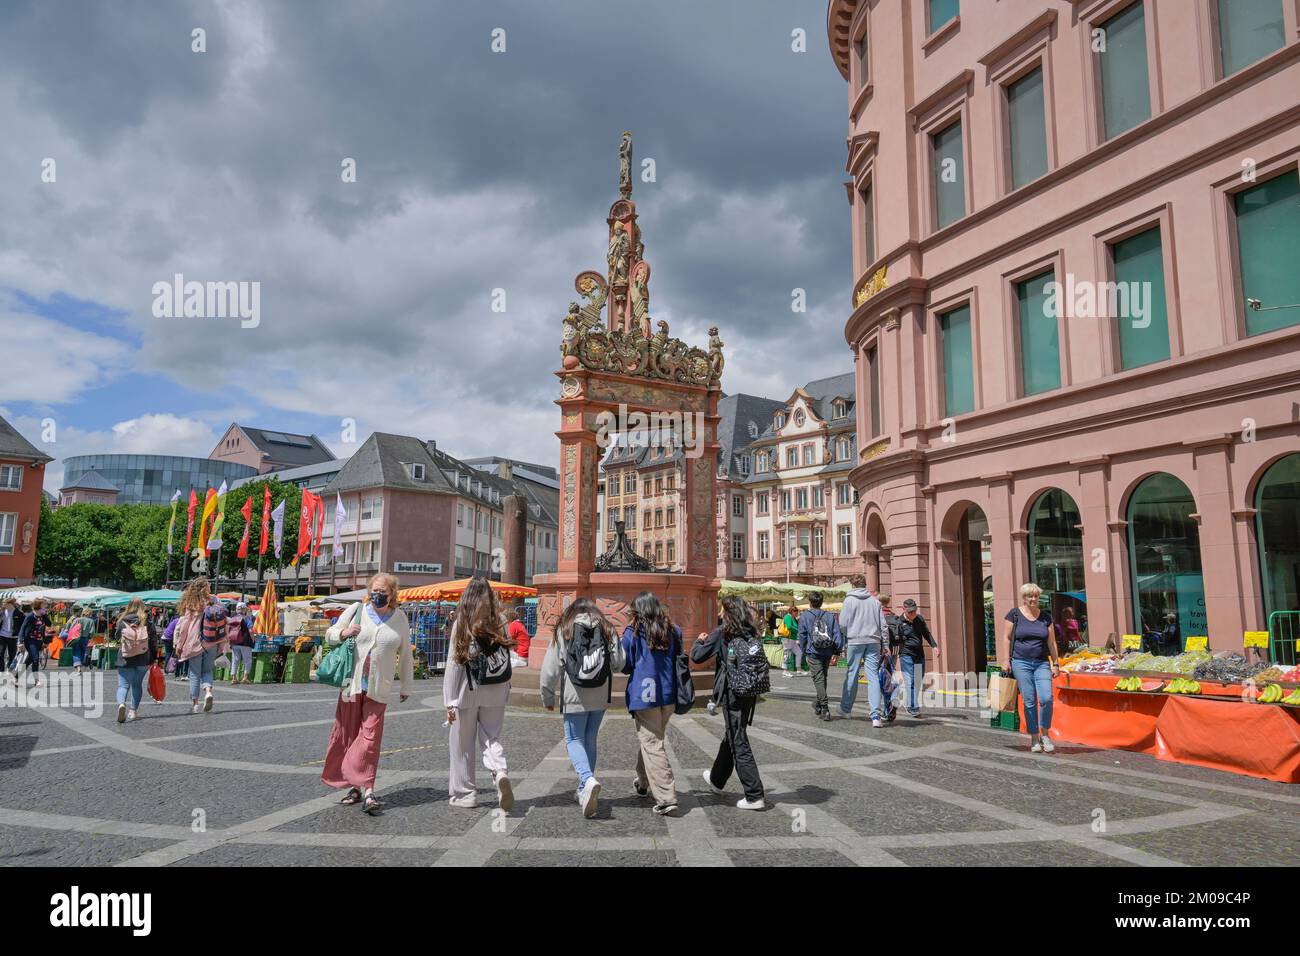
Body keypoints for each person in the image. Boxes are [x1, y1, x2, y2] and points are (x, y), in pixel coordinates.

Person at [322, 574, 412, 816]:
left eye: (383, 590)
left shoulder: (400, 618)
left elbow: (406, 656)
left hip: (378, 687)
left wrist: (406, 686)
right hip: (351, 685)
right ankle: (355, 788)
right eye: (374, 589)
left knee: (370, 737)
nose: (378, 594)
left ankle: (369, 789)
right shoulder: (355, 610)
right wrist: (344, 633)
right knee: (349, 735)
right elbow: (330, 634)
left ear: (392, 593)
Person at [539, 598, 625, 817]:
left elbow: (551, 667)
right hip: (600, 693)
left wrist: (547, 695)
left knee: (574, 739)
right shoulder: (607, 627)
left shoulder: (566, 627)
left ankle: (587, 779)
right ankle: (583, 789)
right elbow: (619, 661)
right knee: (590, 739)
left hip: (574, 694)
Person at [444, 576, 516, 810]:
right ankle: (499, 771)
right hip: (496, 688)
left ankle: (465, 794)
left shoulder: (463, 622)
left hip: (467, 690)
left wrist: (450, 700)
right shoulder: (500, 619)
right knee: (492, 736)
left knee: (462, 744)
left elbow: (454, 664)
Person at [693, 596, 766, 809]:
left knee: (738, 740)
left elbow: (697, 657)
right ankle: (717, 779)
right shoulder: (751, 631)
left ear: (726, 611)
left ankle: (754, 795)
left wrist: (699, 640)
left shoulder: (722, 632)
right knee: (733, 734)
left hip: (732, 691)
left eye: (721, 609)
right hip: (750, 690)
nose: (718, 613)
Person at [620, 591, 680, 816]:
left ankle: (666, 797)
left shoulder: (633, 633)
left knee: (652, 742)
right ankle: (643, 781)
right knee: (651, 739)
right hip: (669, 694)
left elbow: (625, 664)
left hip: (645, 696)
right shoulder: (672, 630)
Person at [1000, 582, 1060, 754]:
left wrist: (1056, 663)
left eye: (1035, 596)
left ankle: (1045, 734)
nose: (1033, 599)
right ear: (1024, 598)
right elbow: (1006, 638)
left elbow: (1051, 641)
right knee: (1029, 700)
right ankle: (1034, 736)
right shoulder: (1014, 614)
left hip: (1042, 662)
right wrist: (1006, 660)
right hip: (1021, 662)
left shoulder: (1046, 617)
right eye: (1029, 596)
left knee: (1047, 698)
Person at [172, 577, 229, 714]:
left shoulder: (192, 602)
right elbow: (224, 623)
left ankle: (196, 704)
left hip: (195, 643)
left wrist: (179, 645)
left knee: (194, 674)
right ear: (205, 588)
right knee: (207, 671)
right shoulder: (215, 601)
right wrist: (223, 643)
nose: (210, 587)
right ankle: (208, 692)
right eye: (208, 585)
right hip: (212, 642)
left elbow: (185, 626)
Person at [838, 576, 888, 726]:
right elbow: (883, 626)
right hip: (873, 641)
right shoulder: (875, 601)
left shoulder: (849, 601)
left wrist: (849, 634)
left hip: (855, 640)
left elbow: (842, 623)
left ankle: (846, 710)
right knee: (873, 676)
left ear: (853, 585)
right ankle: (876, 716)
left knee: (852, 674)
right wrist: (885, 644)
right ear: (865, 585)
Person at [797, 592, 844, 721]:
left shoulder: (805, 616)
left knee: (818, 679)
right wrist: (837, 651)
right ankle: (818, 703)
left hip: (813, 651)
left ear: (810, 602)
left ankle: (824, 707)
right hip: (828, 651)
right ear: (821, 602)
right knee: (823, 677)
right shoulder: (830, 616)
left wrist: (804, 649)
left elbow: (802, 635)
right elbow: (837, 633)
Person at [113, 598, 158, 723]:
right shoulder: (147, 621)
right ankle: (133, 711)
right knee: (137, 685)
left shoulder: (122, 620)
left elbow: (116, 636)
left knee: (123, 686)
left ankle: (121, 704)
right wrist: (154, 658)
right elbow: (154, 641)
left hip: (125, 657)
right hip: (143, 658)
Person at [893, 598, 938, 718]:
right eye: (910, 612)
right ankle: (913, 707)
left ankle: (909, 704)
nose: (913, 614)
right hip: (906, 655)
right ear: (904, 609)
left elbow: (926, 633)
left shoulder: (919, 619)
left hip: (919, 654)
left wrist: (934, 646)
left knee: (917, 681)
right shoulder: (898, 622)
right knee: (911, 681)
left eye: (914, 611)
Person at [17, 600, 50, 687]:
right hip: (30, 640)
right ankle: (36, 681)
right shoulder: (30, 616)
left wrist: (45, 615)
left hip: (39, 641)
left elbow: (49, 624)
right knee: (36, 658)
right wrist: (20, 641)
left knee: (29, 660)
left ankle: (16, 676)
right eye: (43, 605)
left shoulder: (43, 616)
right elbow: (23, 628)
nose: (45, 607)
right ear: (38, 606)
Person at [227, 602, 255, 683]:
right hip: (245, 642)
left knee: (235, 660)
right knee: (247, 660)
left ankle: (234, 678)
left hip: (234, 642)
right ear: (244, 609)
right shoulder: (247, 619)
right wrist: (252, 639)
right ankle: (245, 678)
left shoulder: (232, 618)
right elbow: (250, 630)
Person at [779, 604, 804, 676]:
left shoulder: (793, 618)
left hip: (792, 639)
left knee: (799, 653)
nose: (797, 613)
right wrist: (798, 630)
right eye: (796, 611)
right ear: (792, 611)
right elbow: (789, 627)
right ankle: (785, 670)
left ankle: (798, 670)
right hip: (787, 639)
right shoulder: (788, 617)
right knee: (787, 654)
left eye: (797, 612)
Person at [0, 597, 20, 675]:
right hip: (2, 635)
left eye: (4, 603)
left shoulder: (18, 612)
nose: (3, 604)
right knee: (0, 653)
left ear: (9, 604)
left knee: (12, 654)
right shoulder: (2, 612)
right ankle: (1, 670)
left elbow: (23, 624)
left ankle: (9, 668)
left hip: (13, 636)